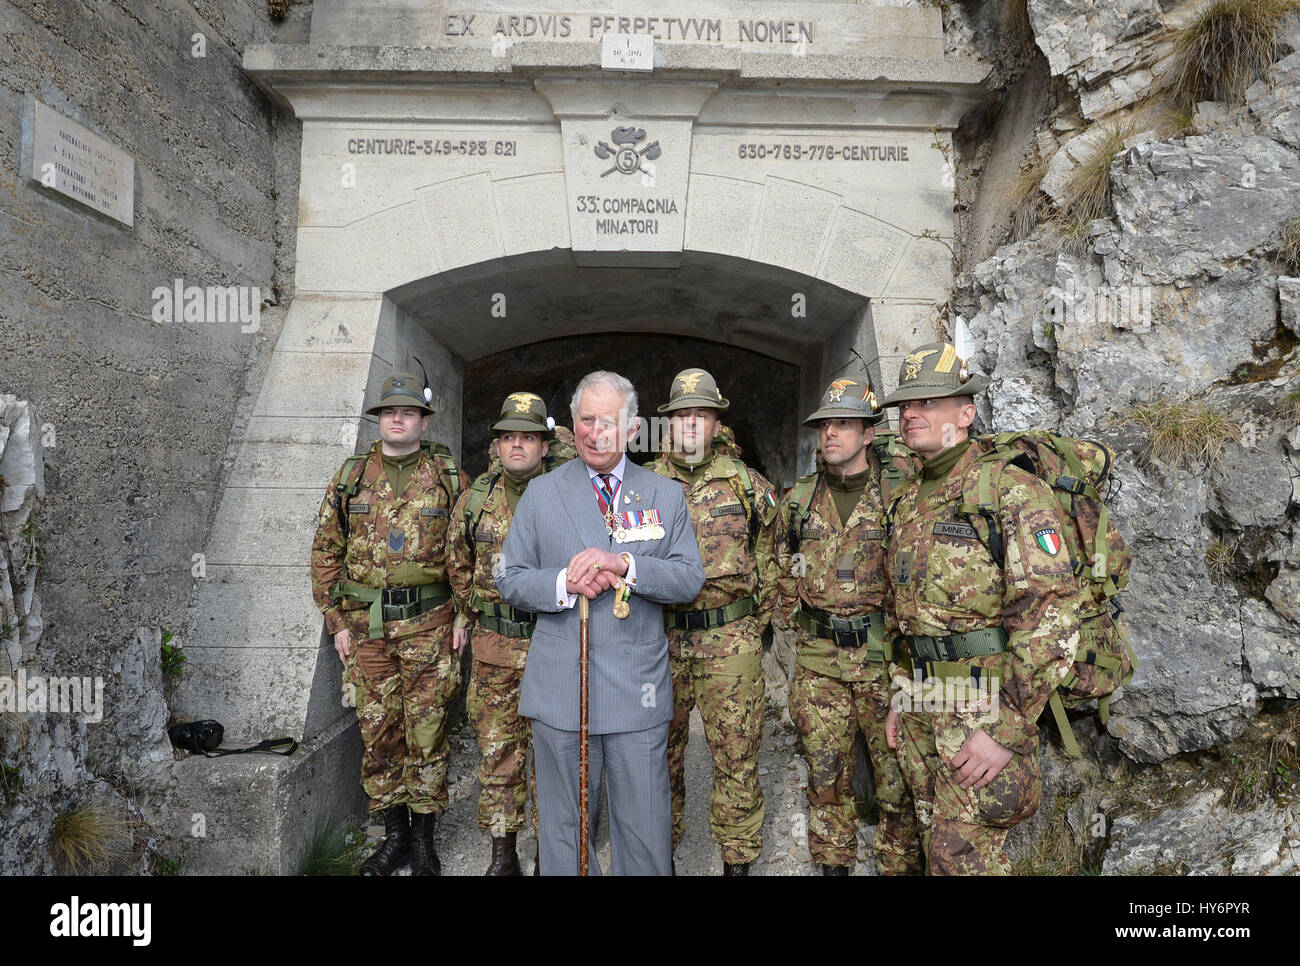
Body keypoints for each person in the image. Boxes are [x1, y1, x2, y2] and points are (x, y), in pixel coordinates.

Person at [880, 342, 1079, 875]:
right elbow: (909, 613)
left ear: (966, 414)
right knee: (933, 847)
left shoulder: (1009, 491)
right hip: (923, 702)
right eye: (906, 404)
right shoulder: (909, 498)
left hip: (984, 708)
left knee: (960, 857)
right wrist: (905, 690)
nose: (910, 413)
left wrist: (1005, 730)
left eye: (928, 402)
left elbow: (1051, 616)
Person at [496, 370, 705, 876]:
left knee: (646, 829)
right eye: (586, 421)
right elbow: (509, 577)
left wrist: (627, 566)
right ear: (572, 427)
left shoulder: (663, 495)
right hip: (562, 686)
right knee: (563, 831)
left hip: (638, 689)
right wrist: (563, 583)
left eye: (607, 422)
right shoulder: (542, 494)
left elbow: (687, 579)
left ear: (632, 429)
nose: (595, 433)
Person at [310, 371, 469, 876]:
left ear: (423, 421)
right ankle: (394, 836)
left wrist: (464, 613)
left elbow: (468, 550)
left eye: (408, 412)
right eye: (389, 412)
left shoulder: (447, 476)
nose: (397, 419)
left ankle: (423, 840)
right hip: (367, 630)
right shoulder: (352, 476)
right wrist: (336, 620)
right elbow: (325, 550)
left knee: (427, 730)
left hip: (430, 626)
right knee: (378, 733)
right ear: (379, 419)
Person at [776, 376, 923, 875]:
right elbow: (780, 562)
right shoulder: (800, 498)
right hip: (818, 664)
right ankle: (833, 865)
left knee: (896, 781)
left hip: (884, 663)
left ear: (869, 433)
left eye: (844, 423)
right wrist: (790, 617)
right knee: (825, 780)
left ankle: (897, 866)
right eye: (825, 425)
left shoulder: (901, 494)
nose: (831, 433)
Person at [649, 368, 777, 876]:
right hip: (660, 641)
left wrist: (750, 627)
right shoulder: (643, 486)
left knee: (737, 755)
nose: (690, 424)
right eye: (681, 415)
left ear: (716, 422)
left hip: (730, 641)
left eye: (700, 414)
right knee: (658, 754)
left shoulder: (747, 484)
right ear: (668, 423)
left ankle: (737, 862)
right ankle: (659, 851)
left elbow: (771, 561)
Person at [447, 392, 563, 875]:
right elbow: (457, 563)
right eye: (509, 437)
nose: (517, 445)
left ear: (544, 446)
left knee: (553, 757)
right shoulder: (476, 499)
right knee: (498, 753)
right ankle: (504, 855)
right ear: (497, 445)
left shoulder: (567, 495)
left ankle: (550, 854)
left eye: (528, 438)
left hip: (552, 646)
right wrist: (473, 612)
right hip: (494, 649)